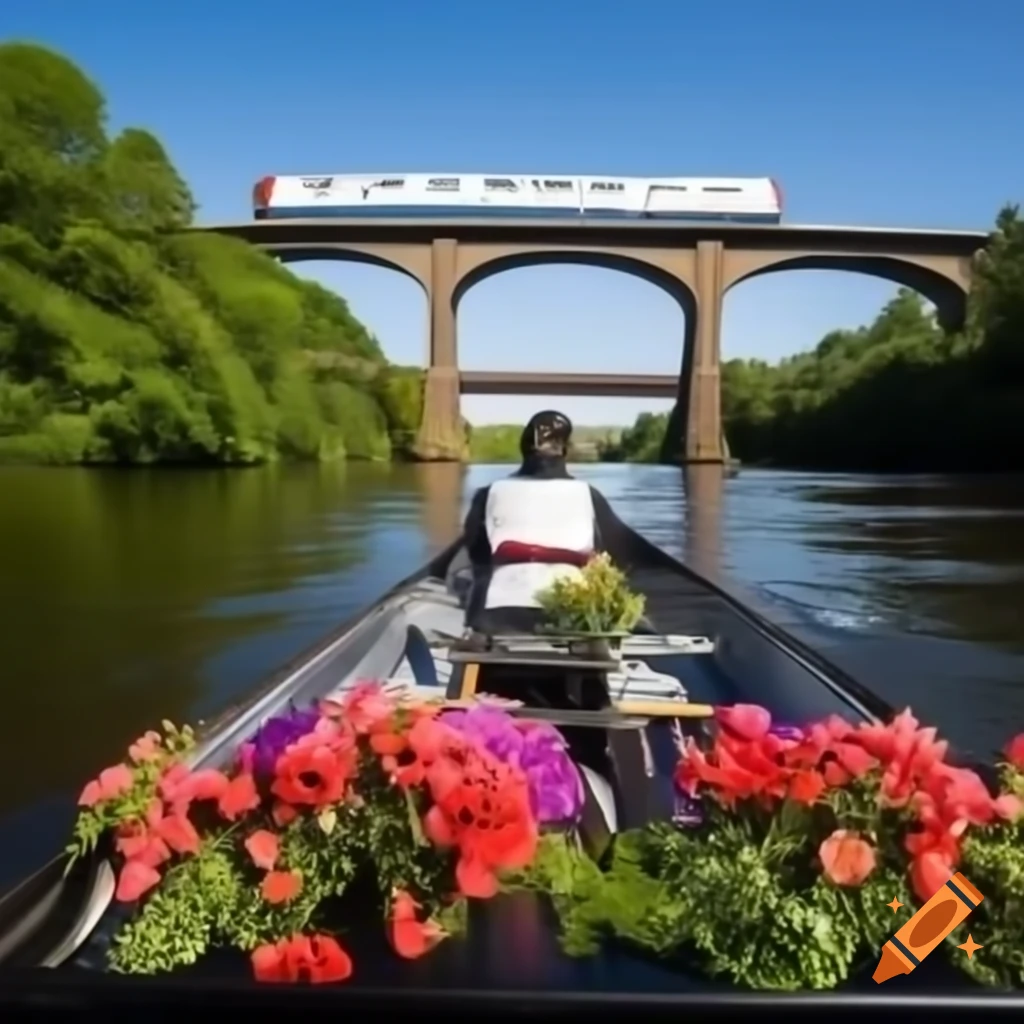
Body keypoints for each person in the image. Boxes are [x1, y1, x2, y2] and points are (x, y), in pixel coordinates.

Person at [462, 409, 629, 635]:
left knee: (482, 576)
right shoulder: (589, 495)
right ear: (565, 452)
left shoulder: (489, 493)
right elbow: (607, 556)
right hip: (573, 616)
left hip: (498, 617)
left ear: (523, 447)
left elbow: (476, 554)